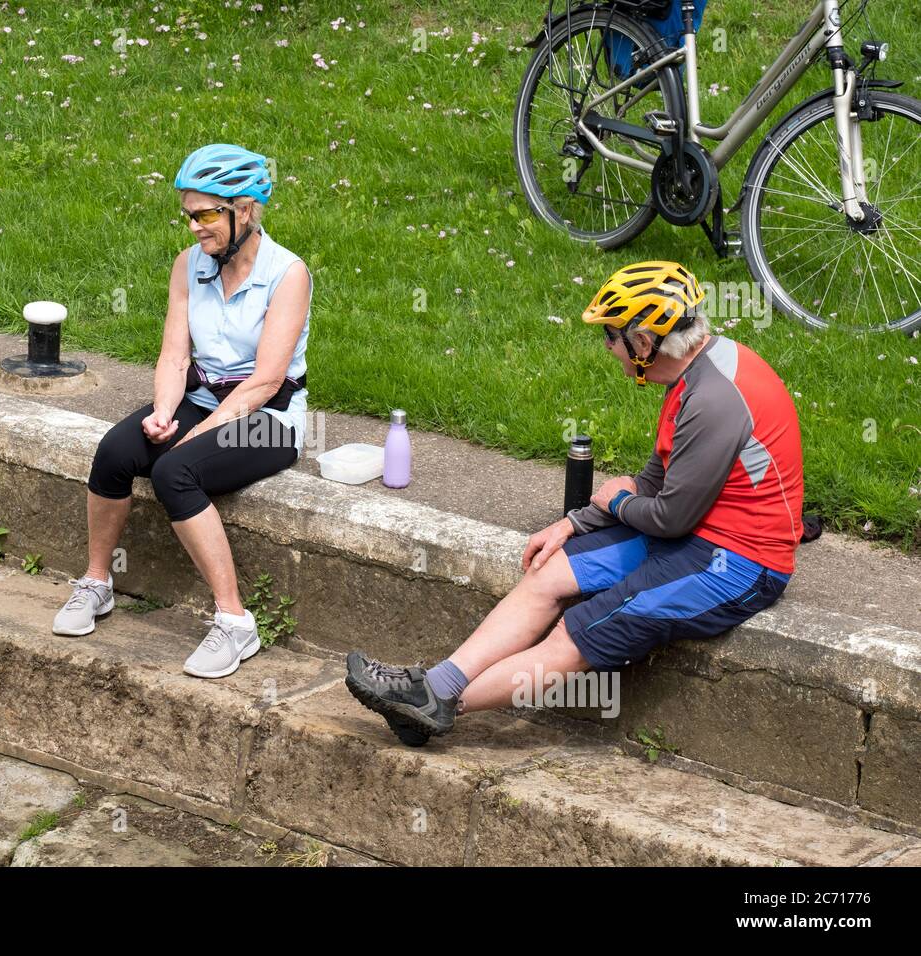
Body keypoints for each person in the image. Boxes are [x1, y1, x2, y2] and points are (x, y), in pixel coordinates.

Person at [345, 261, 804, 745]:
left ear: (644, 343)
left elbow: (668, 517)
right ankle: (428, 695)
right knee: (550, 571)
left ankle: (438, 704)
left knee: (578, 631)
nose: (608, 347)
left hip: (739, 563)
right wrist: (575, 523)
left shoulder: (712, 401)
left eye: (611, 335)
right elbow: (657, 478)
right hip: (695, 532)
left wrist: (618, 501)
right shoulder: (697, 372)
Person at [52, 144, 311, 680]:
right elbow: (175, 355)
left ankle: (236, 622)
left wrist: (198, 436)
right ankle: (97, 583)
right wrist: (164, 414)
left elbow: (264, 382)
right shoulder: (188, 266)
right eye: (189, 215)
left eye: (206, 214)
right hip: (201, 399)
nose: (195, 227)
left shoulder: (287, 275)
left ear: (244, 210)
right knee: (117, 450)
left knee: (176, 471)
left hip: (270, 419)